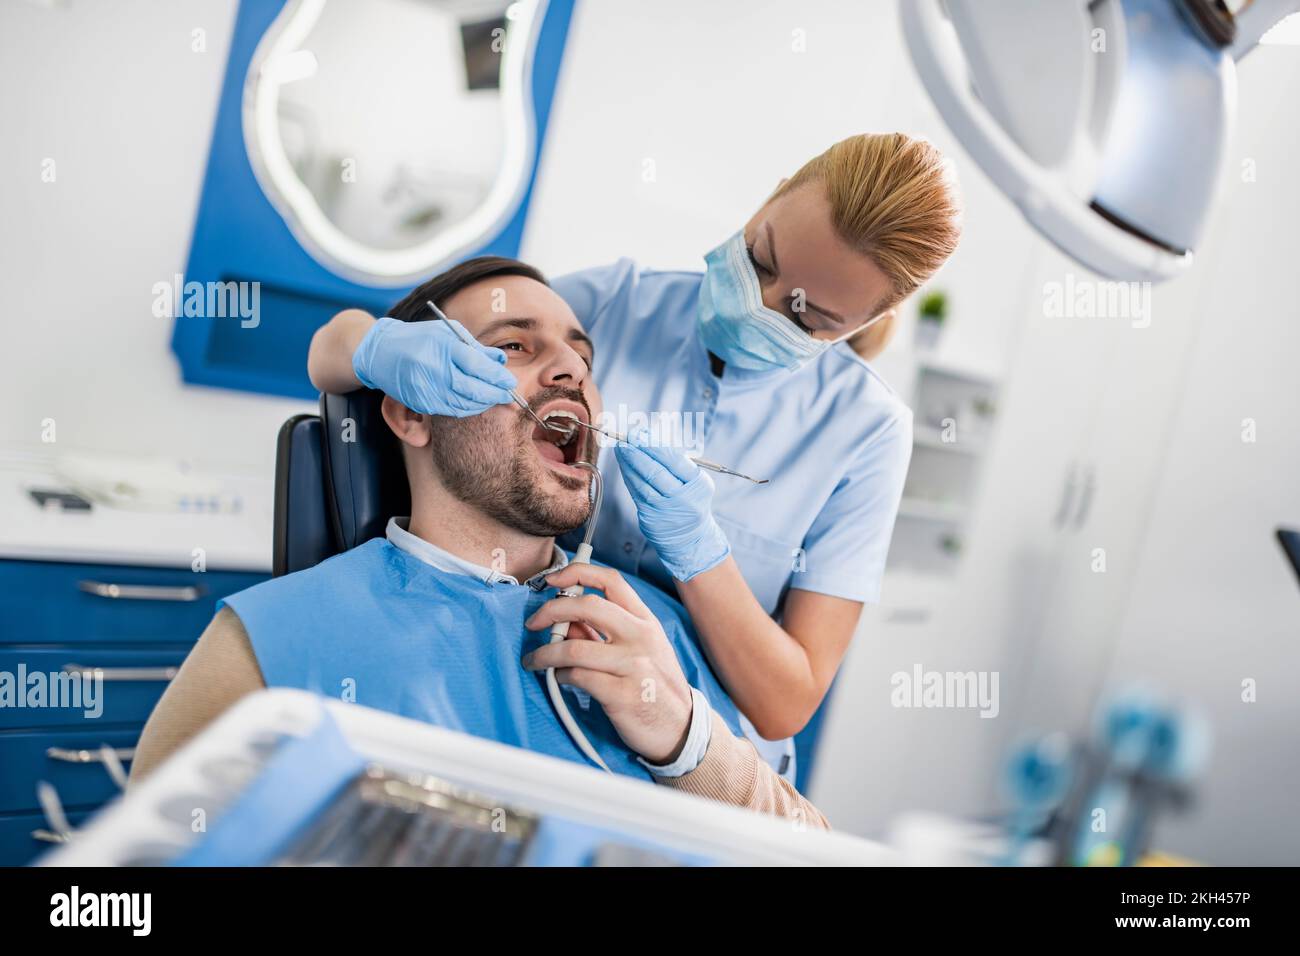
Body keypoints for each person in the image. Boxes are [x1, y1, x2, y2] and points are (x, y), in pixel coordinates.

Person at [307, 133, 963, 777]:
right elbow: (344, 349)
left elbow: (785, 703)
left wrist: (701, 555)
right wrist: (376, 347)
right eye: (761, 261)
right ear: (772, 197)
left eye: (807, 317)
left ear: (856, 324)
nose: (762, 304)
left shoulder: (866, 430)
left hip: (700, 760)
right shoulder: (613, 303)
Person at [131, 257, 829, 828]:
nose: (571, 372)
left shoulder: (654, 626)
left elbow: (811, 849)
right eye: (512, 346)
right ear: (412, 411)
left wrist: (686, 742)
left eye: (582, 357)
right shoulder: (278, 636)